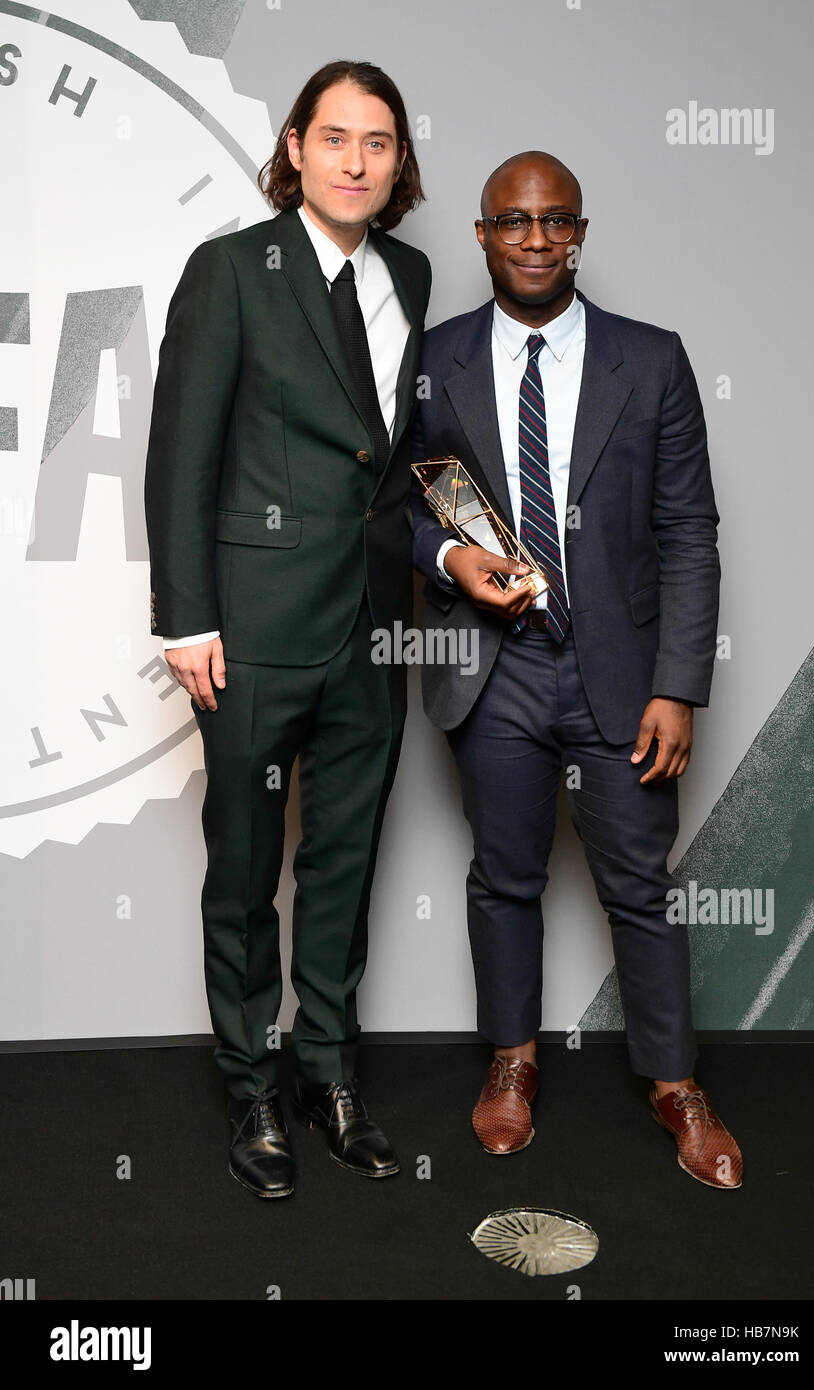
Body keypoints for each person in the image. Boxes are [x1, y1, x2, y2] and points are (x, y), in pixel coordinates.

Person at [410, 150, 742, 1190]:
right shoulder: (437, 361)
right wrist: (452, 559)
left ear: (581, 231)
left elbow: (689, 529)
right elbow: (400, 508)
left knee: (639, 886)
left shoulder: (651, 360)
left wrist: (679, 683)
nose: (538, 240)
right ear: (482, 236)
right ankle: (512, 1061)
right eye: (515, 222)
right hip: (493, 667)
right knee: (503, 877)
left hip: (620, 673)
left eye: (557, 221)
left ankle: (675, 1083)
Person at [144, 60, 430, 1198]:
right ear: (297, 149)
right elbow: (181, 454)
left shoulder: (409, 272)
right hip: (253, 628)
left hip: (375, 624)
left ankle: (329, 1072)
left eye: (381, 142)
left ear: (399, 162)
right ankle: (251, 1084)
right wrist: (187, 617)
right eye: (338, 138)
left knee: (345, 863)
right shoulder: (232, 271)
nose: (358, 161)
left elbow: (397, 456)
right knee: (246, 868)